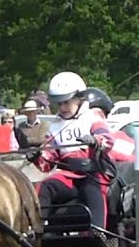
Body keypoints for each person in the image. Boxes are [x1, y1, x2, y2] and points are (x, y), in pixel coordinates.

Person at [28, 71, 115, 229]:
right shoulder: (55, 126)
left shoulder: (92, 116)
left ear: (80, 99)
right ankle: (39, 229)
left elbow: (108, 141)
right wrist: (37, 157)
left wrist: (95, 140)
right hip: (68, 176)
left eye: (66, 102)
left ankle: (98, 233)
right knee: (44, 186)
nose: (62, 107)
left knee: (93, 193)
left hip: (92, 174)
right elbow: (48, 162)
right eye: (59, 104)